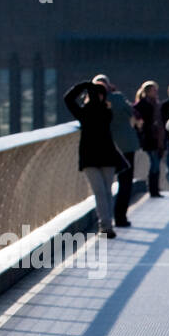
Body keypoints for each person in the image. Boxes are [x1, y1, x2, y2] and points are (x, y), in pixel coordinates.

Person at [62, 79, 129, 239]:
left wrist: (83, 85)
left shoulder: (83, 113)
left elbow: (68, 99)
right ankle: (108, 225)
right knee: (106, 191)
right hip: (107, 156)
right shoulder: (107, 112)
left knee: (99, 192)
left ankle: (105, 226)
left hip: (89, 156)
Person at [93, 75, 141, 226]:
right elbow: (132, 112)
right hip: (126, 145)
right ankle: (121, 217)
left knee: (105, 184)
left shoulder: (92, 102)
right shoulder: (118, 98)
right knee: (125, 181)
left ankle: (106, 218)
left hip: (106, 146)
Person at [133, 80, 164, 197]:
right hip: (149, 137)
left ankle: (154, 189)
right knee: (155, 163)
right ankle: (153, 189)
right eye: (153, 90)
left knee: (155, 162)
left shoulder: (156, 104)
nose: (156, 92)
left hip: (156, 138)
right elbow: (136, 118)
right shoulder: (142, 105)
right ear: (147, 92)